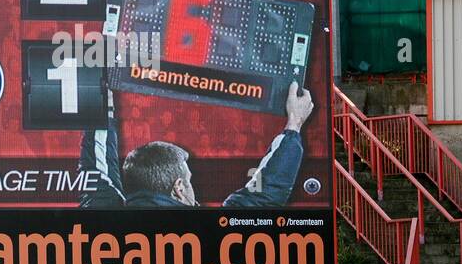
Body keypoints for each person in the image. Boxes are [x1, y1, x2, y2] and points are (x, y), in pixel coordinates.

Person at [79, 82, 314, 209]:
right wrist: (295, 122)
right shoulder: (210, 231)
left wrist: (102, 99)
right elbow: (267, 191)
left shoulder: (104, 218)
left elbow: (97, 164)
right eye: (189, 181)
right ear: (179, 187)